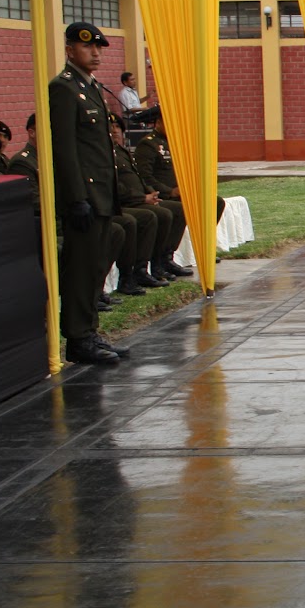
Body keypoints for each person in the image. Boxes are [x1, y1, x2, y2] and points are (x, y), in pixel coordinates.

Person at [50, 21, 129, 364]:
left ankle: (89, 331)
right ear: (69, 50)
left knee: (94, 265)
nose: (95, 53)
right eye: (87, 47)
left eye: (98, 48)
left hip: (101, 196)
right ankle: (78, 339)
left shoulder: (91, 87)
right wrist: (76, 197)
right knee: (80, 268)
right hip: (84, 197)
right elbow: (65, 149)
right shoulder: (64, 89)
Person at [132, 107, 209, 279]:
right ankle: (165, 257)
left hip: (179, 192)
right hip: (163, 193)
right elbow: (146, 176)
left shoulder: (174, 142)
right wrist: (170, 192)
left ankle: (203, 248)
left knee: (214, 202)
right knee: (177, 210)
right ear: (158, 123)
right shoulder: (148, 144)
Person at [109, 116, 174, 294]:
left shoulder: (121, 151)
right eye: (111, 127)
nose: (115, 130)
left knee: (163, 213)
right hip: (124, 203)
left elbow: (138, 176)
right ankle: (134, 272)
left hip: (140, 198)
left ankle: (160, 262)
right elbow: (114, 186)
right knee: (150, 216)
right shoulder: (105, 154)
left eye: (118, 127)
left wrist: (150, 193)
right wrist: (142, 197)